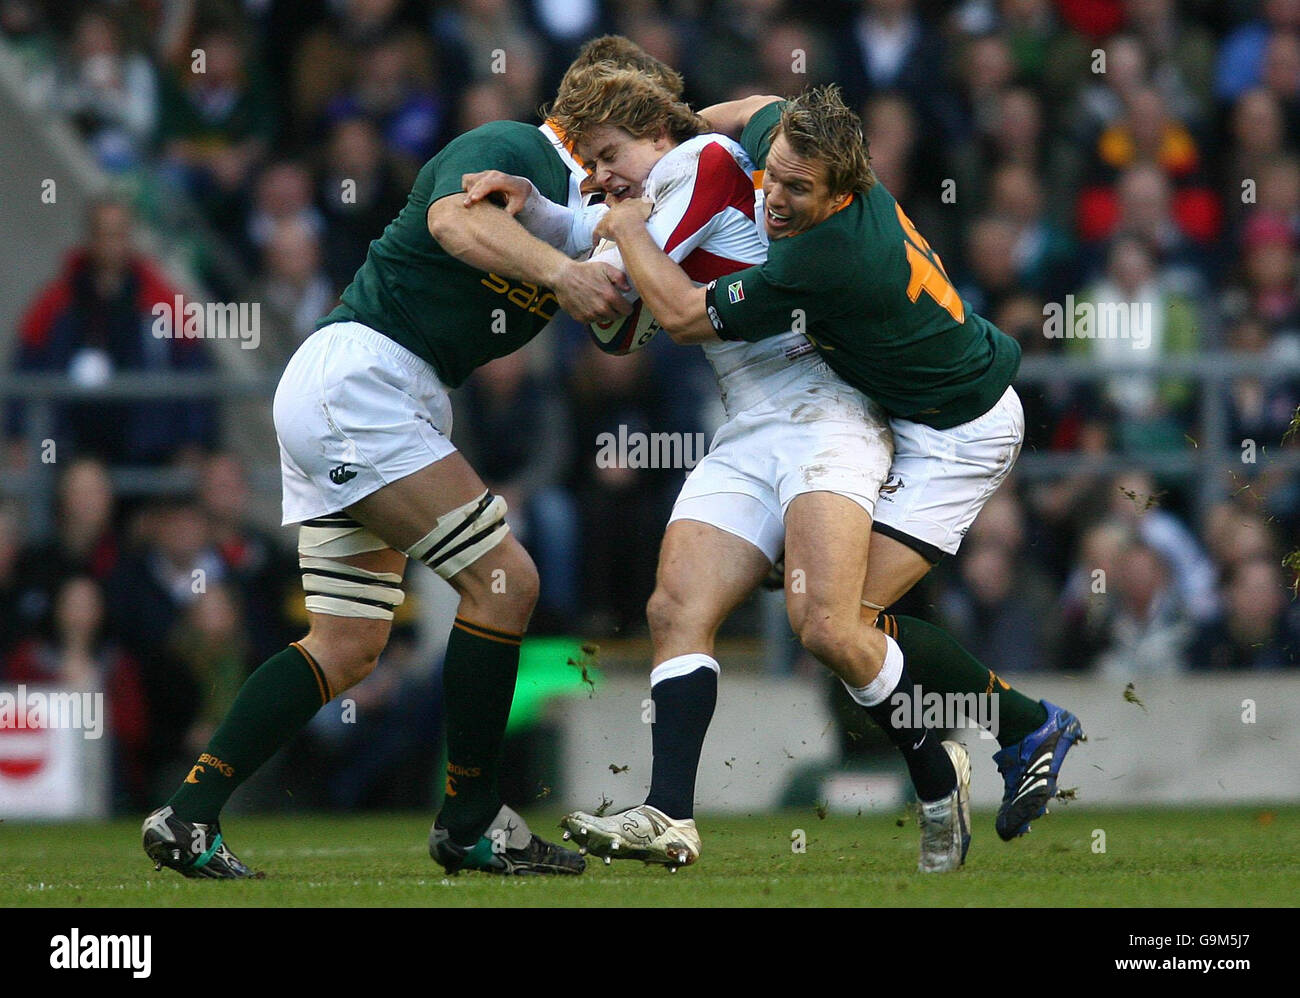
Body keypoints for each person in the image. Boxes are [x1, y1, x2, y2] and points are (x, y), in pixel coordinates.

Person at [140, 38, 671, 880]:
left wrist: (626, 272)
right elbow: (451, 220)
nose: (647, 169)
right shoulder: (514, 147)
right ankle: (469, 820)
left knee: (348, 642)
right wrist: (566, 277)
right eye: (649, 143)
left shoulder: (575, 211)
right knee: (507, 581)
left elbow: (615, 332)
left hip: (369, 391)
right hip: (364, 379)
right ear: (610, 124)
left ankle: (188, 813)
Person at [464, 67, 970, 873]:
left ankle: (938, 771)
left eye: (606, 154)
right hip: (749, 425)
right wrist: (540, 205)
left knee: (831, 629)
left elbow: (629, 282)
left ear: (657, 135)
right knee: (674, 606)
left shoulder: (699, 160)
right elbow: (620, 243)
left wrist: (558, 237)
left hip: (827, 417)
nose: (600, 177)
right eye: (589, 163)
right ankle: (670, 813)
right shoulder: (666, 185)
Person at [582, 85, 1084, 849]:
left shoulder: (826, 256)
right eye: (772, 174)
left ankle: (1026, 724)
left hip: (961, 431)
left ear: (844, 192)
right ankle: (974, 752)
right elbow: (757, 102)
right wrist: (682, 131)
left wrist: (629, 227)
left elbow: (682, 316)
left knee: (834, 622)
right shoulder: (800, 154)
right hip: (911, 405)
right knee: (826, 619)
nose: (773, 199)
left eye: (796, 189)